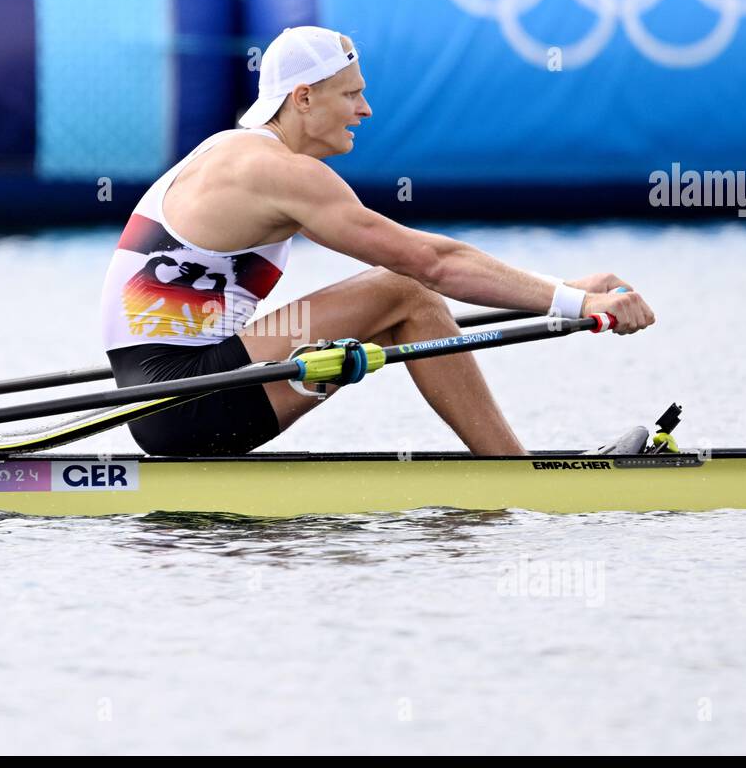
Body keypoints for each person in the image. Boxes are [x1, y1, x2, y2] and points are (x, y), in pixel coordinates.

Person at [99, 26, 654, 457]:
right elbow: (430, 263)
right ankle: (519, 474)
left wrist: (559, 291)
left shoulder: (229, 149)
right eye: (353, 93)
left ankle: (507, 465)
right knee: (404, 292)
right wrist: (577, 304)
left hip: (164, 399)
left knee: (402, 305)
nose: (366, 110)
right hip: (184, 399)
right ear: (304, 99)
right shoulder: (277, 173)